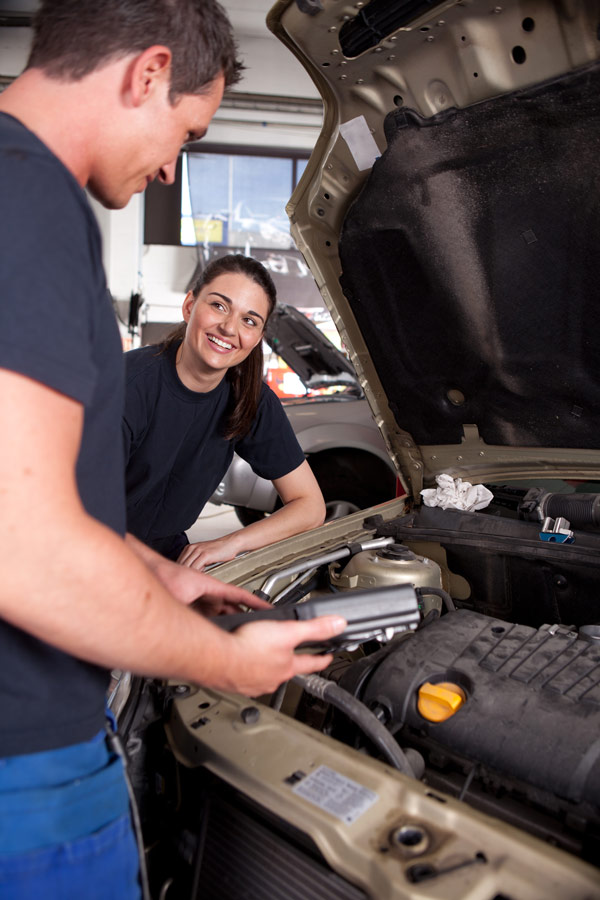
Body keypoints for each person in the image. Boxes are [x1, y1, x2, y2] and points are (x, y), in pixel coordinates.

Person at [0, 2, 346, 898]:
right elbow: (26, 551)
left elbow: (34, 509)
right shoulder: (26, 204)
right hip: (24, 767)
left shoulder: (28, 198)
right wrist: (225, 661)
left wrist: (167, 578)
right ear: (148, 73)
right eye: (188, 132)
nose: (171, 165)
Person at [124, 253, 326, 570]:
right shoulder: (127, 387)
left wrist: (230, 544)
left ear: (258, 337)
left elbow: (310, 507)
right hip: (90, 546)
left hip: (167, 551)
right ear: (190, 306)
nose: (229, 327)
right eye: (219, 305)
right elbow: (75, 511)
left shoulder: (249, 397)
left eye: (249, 320)